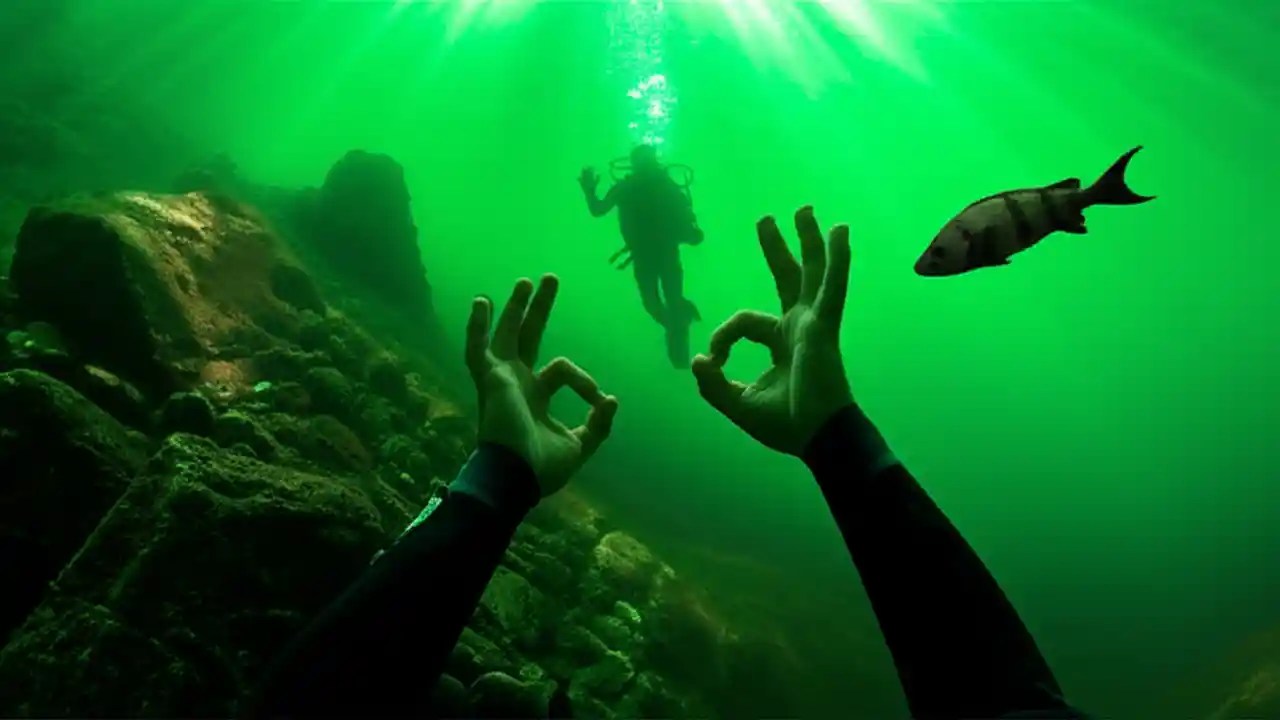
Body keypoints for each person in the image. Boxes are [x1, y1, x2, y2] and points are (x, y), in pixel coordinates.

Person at [247, 206, 1088, 720]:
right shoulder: (639, 192)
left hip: (651, 289)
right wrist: (837, 437)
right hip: (678, 291)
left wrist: (496, 480)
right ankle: (674, 322)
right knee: (660, 297)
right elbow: (1012, 709)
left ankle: (677, 322)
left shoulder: (650, 194)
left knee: (666, 296)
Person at [579, 144, 703, 368]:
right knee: (664, 303)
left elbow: (598, 209)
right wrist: (588, 190)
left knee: (656, 303)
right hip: (664, 255)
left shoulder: (628, 187)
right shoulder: (665, 187)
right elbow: (692, 233)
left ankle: (679, 349)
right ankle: (678, 339)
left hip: (650, 256)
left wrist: (589, 190)